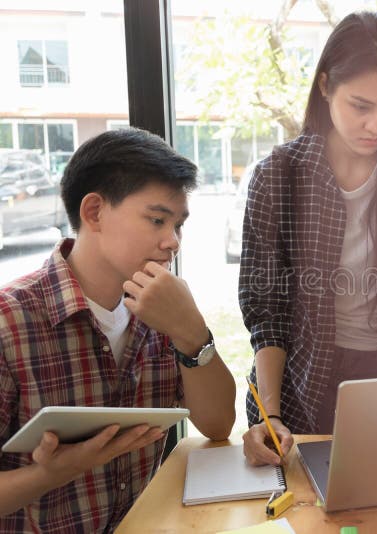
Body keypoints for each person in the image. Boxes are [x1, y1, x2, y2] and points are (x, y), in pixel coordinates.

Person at [240, 11, 377, 465]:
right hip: (305, 381)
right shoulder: (278, 176)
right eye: (361, 106)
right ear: (325, 86)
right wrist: (272, 414)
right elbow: (268, 310)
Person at [0, 128, 237, 531]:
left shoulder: (163, 307)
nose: (173, 241)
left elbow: (217, 425)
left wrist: (192, 332)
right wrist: (51, 473)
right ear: (93, 212)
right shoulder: (11, 321)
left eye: (179, 225)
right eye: (158, 219)